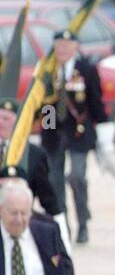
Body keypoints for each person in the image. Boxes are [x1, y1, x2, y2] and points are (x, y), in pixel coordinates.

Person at [38, 30, 112, 246]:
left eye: (66, 45)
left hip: (79, 132)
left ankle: (83, 222)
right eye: (58, 45)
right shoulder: (48, 71)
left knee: (77, 177)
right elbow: (46, 106)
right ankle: (63, 226)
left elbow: (96, 102)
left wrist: (105, 132)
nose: (61, 49)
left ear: (74, 47)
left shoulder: (86, 70)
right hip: (54, 134)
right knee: (54, 182)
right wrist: (47, 131)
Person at [0, 97, 69, 244]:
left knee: (65, 180)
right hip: (50, 136)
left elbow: (49, 201)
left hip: (65, 139)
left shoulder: (34, 154)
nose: (1, 123)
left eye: (6, 119)